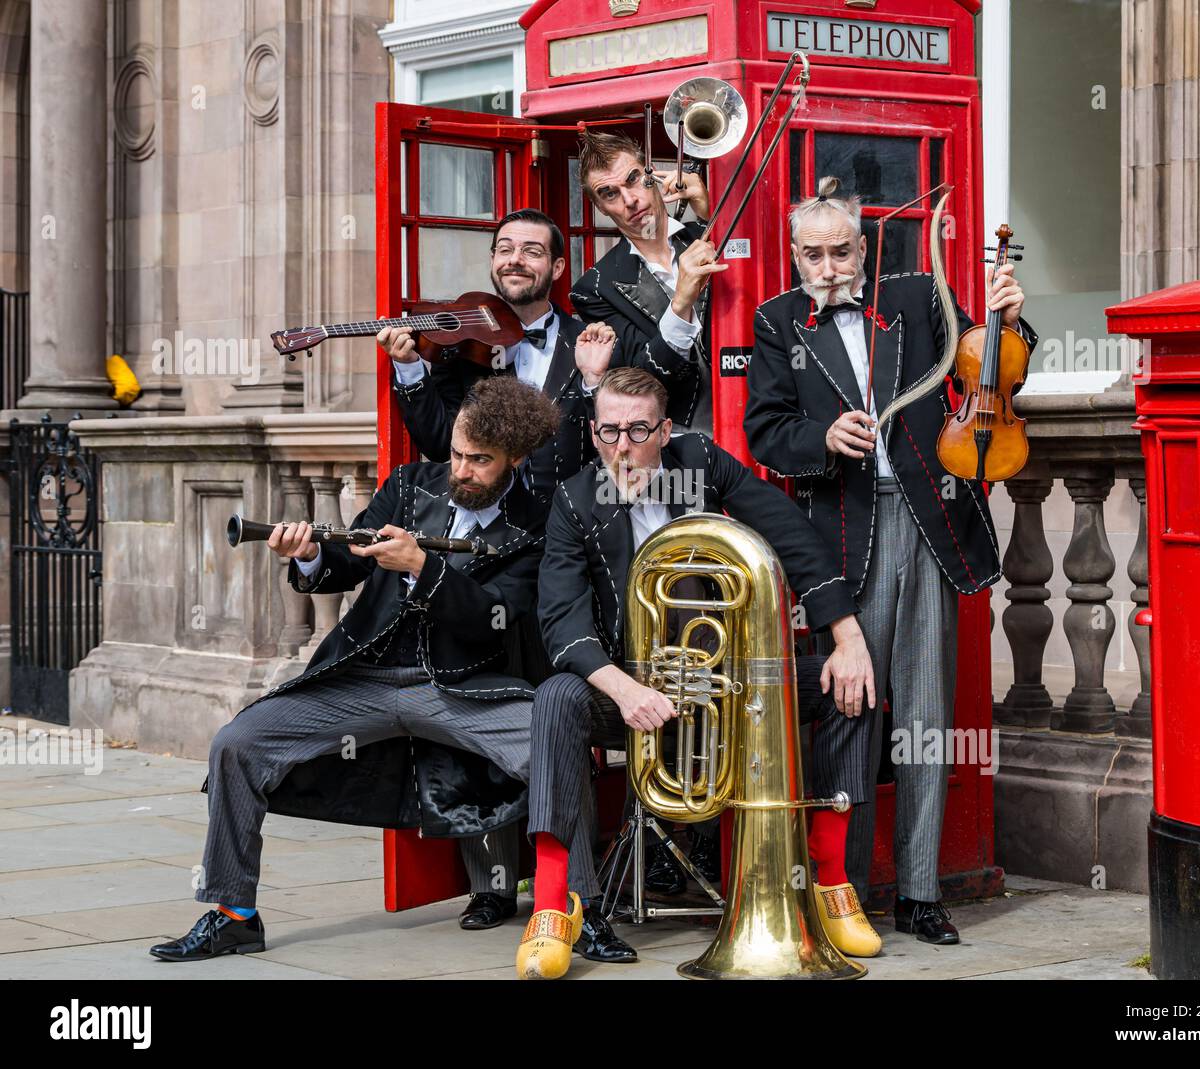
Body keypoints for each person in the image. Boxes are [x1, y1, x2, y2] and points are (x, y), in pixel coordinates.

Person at [148, 378, 558, 961]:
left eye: (480, 461)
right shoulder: (412, 486)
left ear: (514, 458)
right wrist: (311, 553)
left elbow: (497, 618)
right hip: (367, 677)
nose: (461, 470)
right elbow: (345, 562)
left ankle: (564, 909)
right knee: (239, 743)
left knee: (552, 743)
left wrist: (424, 568)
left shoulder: (536, 522)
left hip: (461, 688)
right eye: (457, 453)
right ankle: (233, 913)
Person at [744, 176, 1037, 945]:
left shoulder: (913, 296)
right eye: (813, 253)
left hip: (928, 519)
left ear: (864, 249)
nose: (830, 265)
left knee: (925, 718)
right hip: (842, 532)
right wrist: (819, 440)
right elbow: (764, 432)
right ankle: (845, 890)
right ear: (794, 255)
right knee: (851, 710)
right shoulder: (777, 322)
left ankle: (918, 892)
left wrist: (1014, 316)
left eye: (842, 249)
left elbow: (992, 367)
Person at [516, 366, 880, 980]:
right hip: (625, 683)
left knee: (849, 687)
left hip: (723, 679)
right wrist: (626, 689)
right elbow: (560, 617)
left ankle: (828, 877)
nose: (622, 448)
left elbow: (790, 532)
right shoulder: (576, 498)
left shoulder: (701, 462)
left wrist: (846, 637)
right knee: (555, 697)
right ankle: (558, 901)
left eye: (638, 431)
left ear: (666, 429)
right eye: (608, 432)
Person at [381, 207, 615, 503]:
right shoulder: (462, 345)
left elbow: (612, 444)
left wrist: (594, 382)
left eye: (531, 251)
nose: (515, 260)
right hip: (489, 525)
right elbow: (440, 443)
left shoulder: (590, 342)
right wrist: (409, 367)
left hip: (571, 525)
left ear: (557, 268)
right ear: (493, 260)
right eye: (504, 249)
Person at [569, 130, 723, 434]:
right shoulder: (596, 288)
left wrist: (714, 215)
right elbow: (642, 383)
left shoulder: (710, 230)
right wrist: (680, 304)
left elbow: (775, 287)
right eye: (609, 193)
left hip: (762, 426)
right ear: (600, 207)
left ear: (652, 174)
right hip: (684, 446)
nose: (629, 200)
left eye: (633, 179)